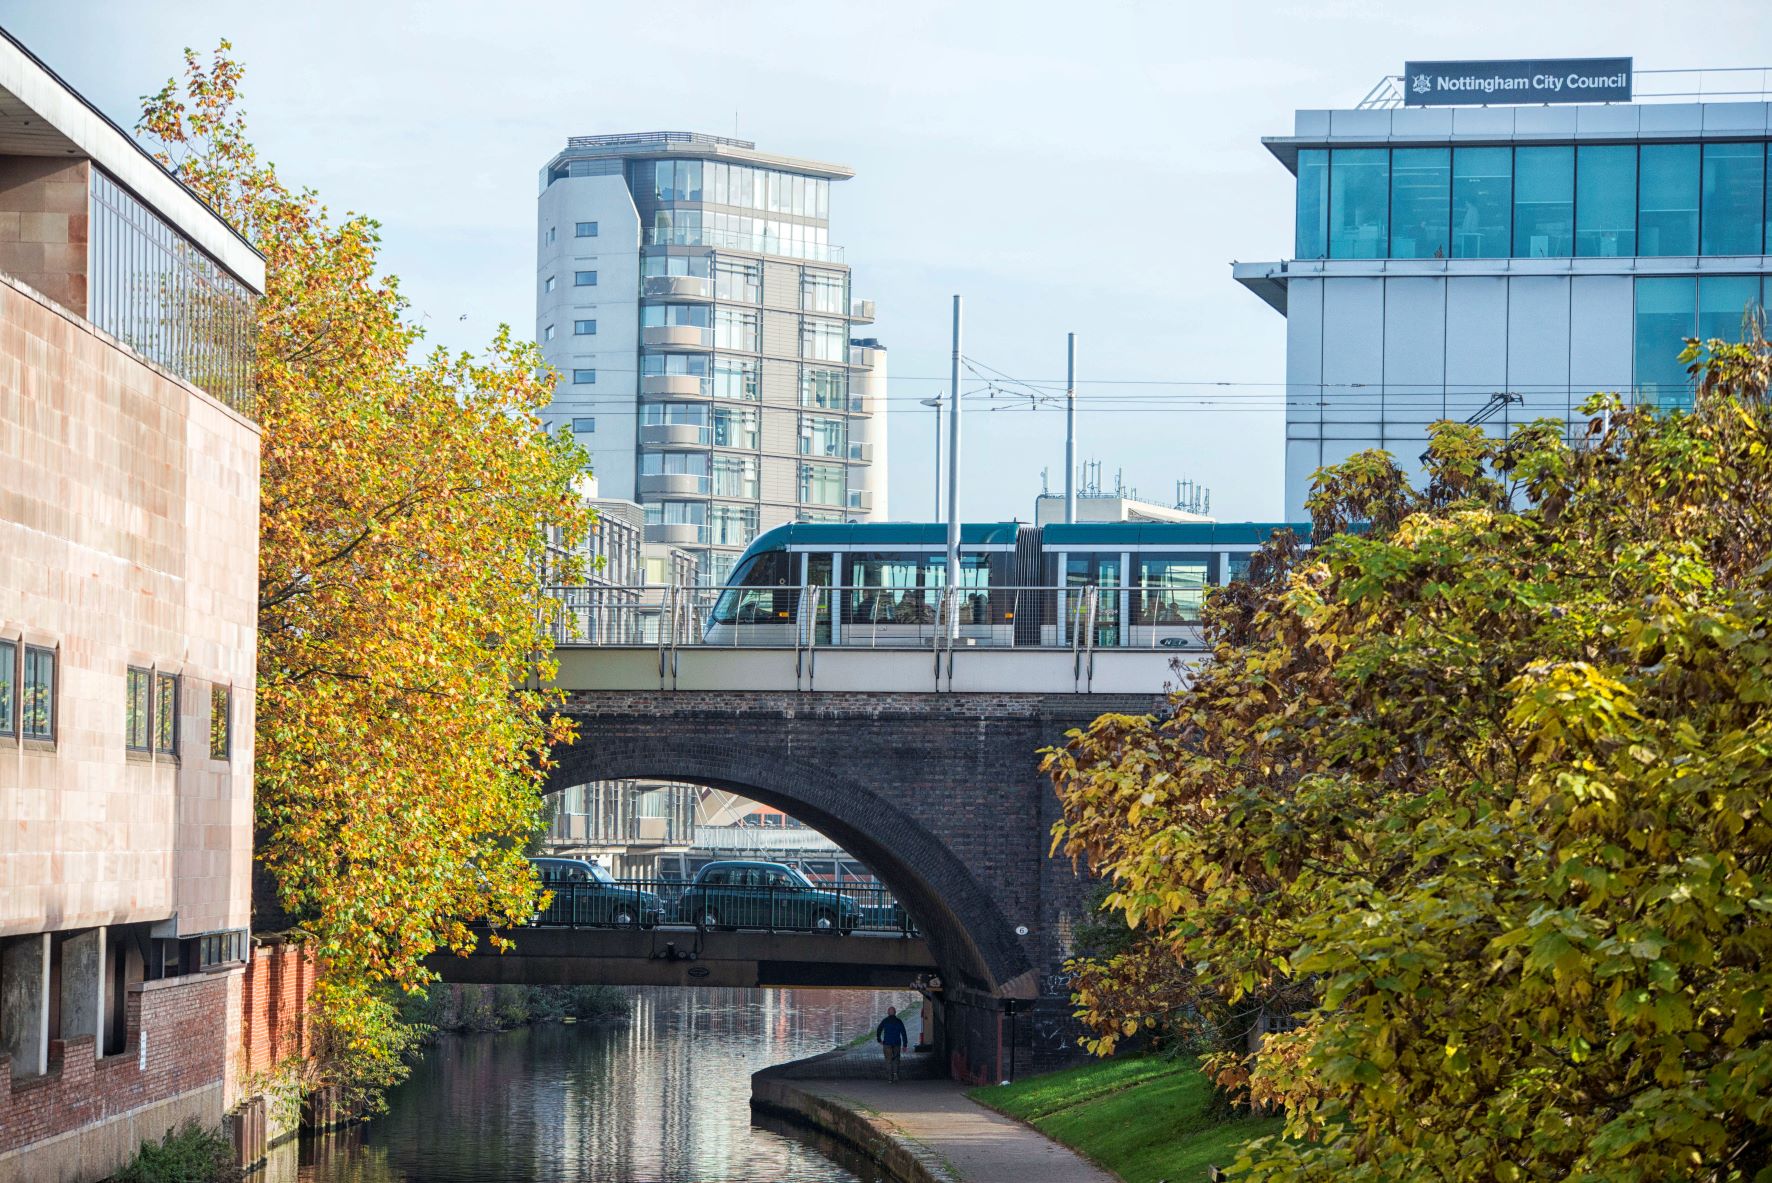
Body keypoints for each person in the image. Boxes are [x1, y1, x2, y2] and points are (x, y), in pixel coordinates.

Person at [875, 1005, 909, 1082]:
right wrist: (905, 1045)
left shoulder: (885, 1021)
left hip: (887, 1043)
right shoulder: (899, 1021)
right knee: (896, 1059)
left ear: (888, 1013)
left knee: (888, 1060)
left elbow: (879, 1029)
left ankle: (890, 1078)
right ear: (895, 1013)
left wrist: (879, 1039)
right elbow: (903, 1033)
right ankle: (895, 1074)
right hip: (897, 1043)